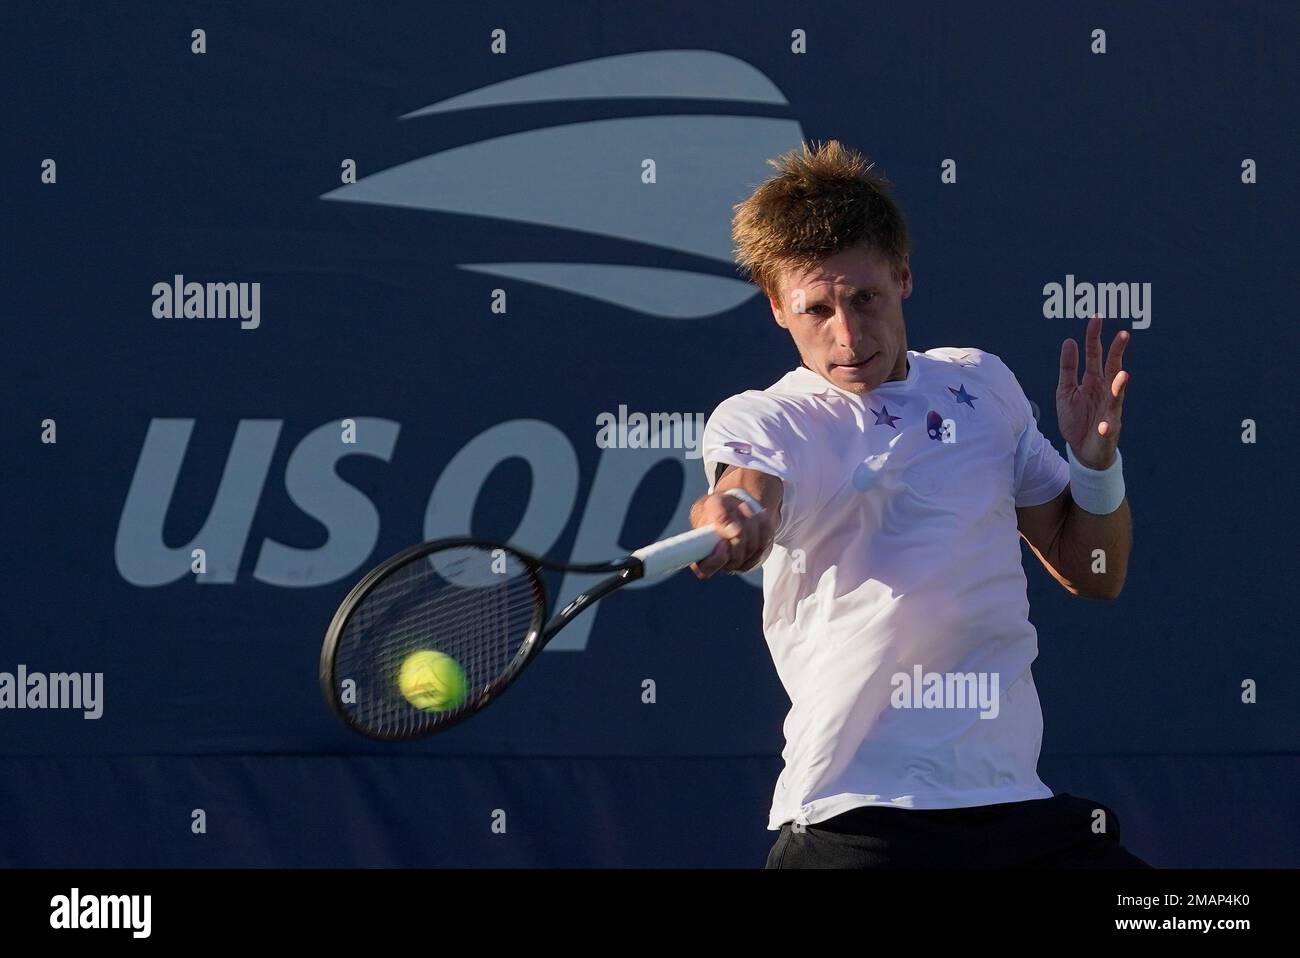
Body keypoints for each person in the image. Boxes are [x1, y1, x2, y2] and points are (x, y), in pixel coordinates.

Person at [690, 140, 1149, 868]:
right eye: (817, 308)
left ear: (904, 277)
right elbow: (745, 493)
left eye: (865, 298)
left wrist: (1094, 467)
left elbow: (1095, 572)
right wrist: (734, 518)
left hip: (1012, 808)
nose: (846, 334)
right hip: (858, 819)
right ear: (778, 308)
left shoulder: (984, 386)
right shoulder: (763, 419)